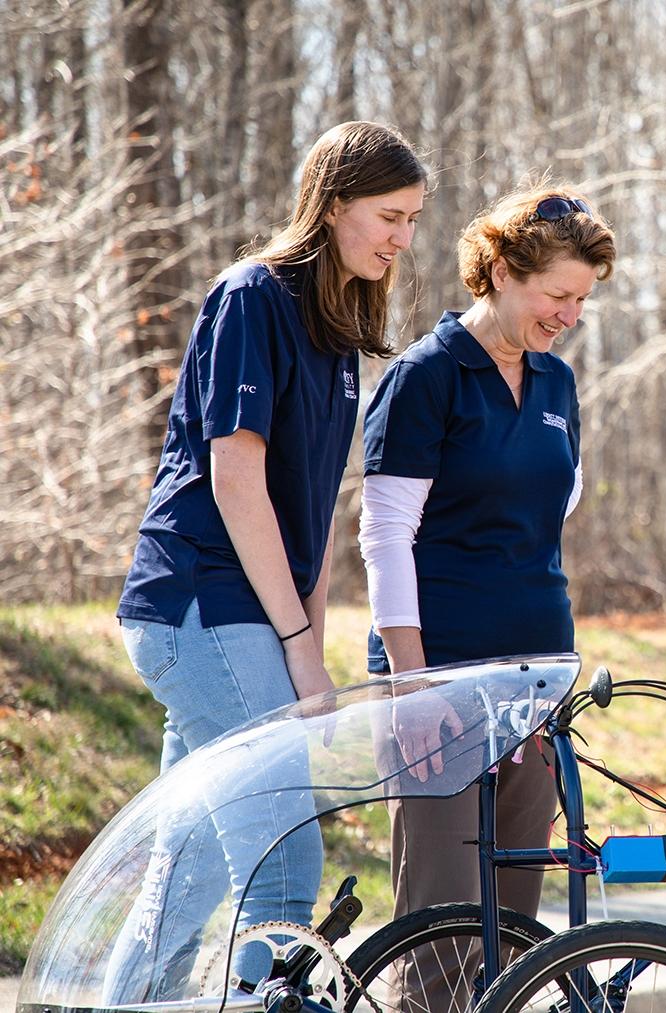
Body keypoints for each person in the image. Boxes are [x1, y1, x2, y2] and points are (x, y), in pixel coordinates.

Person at [110, 121, 427, 999]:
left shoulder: (338, 330)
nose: (402, 239)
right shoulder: (253, 295)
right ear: (332, 207)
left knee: (193, 869)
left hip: (253, 613)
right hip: (198, 606)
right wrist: (293, 641)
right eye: (388, 217)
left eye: (412, 222)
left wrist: (310, 647)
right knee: (285, 859)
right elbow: (236, 477)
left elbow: (311, 514)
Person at [357, 180, 615, 1002]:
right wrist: (414, 682)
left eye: (580, 299)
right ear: (500, 271)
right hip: (440, 680)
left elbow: (551, 513)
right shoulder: (427, 376)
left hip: (534, 683)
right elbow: (385, 533)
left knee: (516, 929)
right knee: (440, 918)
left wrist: (550, 686)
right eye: (555, 295)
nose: (567, 315)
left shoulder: (555, 385)